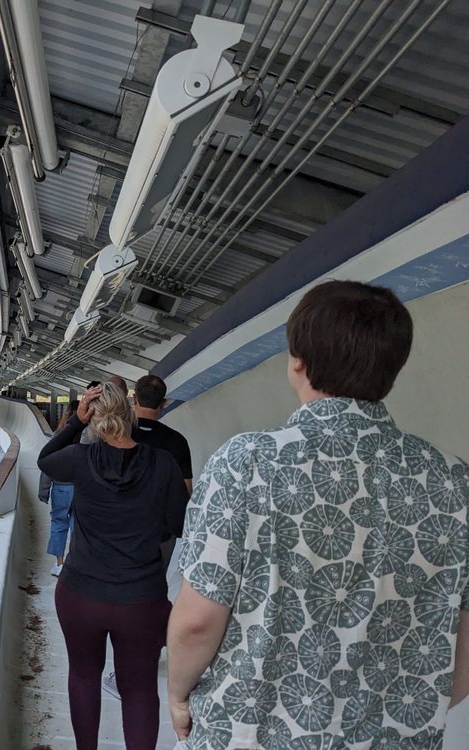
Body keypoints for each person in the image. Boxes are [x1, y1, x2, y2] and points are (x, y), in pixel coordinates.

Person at [167, 280, 469, 748]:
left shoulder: (246, 463)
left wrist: (178, 694)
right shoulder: (454, 481)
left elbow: (197, 621)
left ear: (297, 362)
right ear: (394, 368)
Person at [39, 381, 189, 750]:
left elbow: (46, 460)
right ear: (131, 414)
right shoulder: (164, 464)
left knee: (84, 676)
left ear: (96, 420)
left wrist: (75, 423)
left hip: (80, 593)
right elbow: (179, 525)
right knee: (138, 689)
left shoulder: (80, 460)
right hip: (140, 598)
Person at [104, 373, 194, 699]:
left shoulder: (121, 434)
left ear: (133, 400)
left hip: (121, 531)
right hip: (161, 533)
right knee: (151, 596)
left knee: (121, 598)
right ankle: (151, 650)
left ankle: (124, 670)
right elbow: (186, 493)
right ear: (165, 403)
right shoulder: (177, 442)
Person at [39, 400, 80, 576]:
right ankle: (75, 562)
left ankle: (59, 563)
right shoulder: (89, 436)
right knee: (77, 526)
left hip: (61, 488)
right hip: (81, 489)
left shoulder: (58, 437)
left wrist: (44, 491)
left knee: (58, 523)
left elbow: (47, 466)